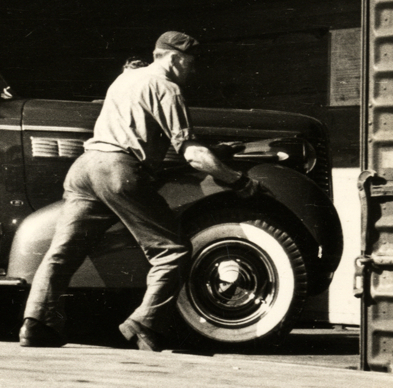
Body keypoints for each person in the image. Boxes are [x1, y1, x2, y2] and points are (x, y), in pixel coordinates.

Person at [17, 30, 256, 351]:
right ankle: (144, 323)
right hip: (119, 172)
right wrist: (240, 181)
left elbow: (136, 135)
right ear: (173, 59)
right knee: (173, 251)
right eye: (190, 63)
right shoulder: (167, 88)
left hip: (85, 168)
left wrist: (215, 150)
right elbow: (191, 154)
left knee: (62, 254)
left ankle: (37, 323)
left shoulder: (124, 80)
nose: (193, 71)